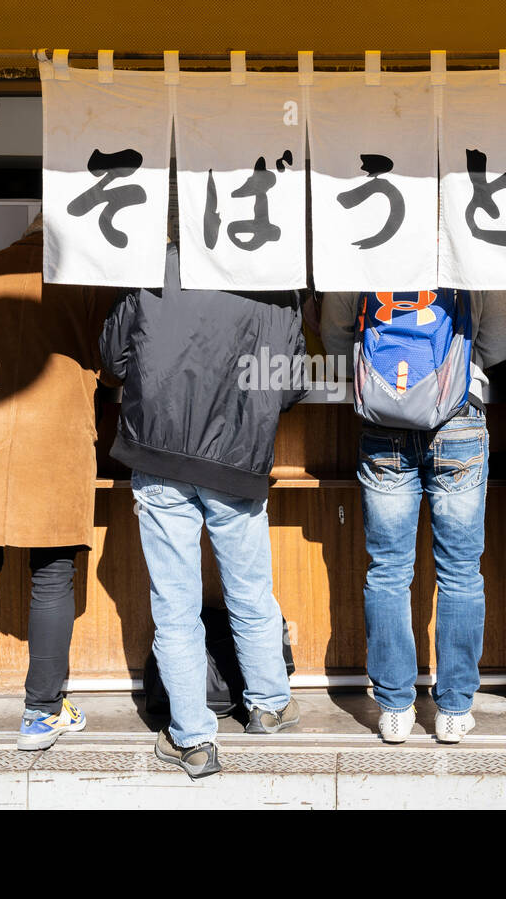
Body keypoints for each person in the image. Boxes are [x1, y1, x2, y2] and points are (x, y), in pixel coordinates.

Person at [100, 239, 305, 779]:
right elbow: (290, 382)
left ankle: (192, 740)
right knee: (249, 587)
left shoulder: (153, 265)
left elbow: (113, 360)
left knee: (175, 602)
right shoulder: (275, 271)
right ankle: (268, 703)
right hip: (237, 460)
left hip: (159, 452)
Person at [0, 212, 116, 751]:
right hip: (56, 448)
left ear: (28, 228)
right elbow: (112, 363)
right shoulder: (86, 276)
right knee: (52, 576)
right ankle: (41, 713)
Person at [320, 289, 506, 743]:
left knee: (387, 570)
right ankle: (453, 709)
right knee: (461, 571)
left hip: (383, 421)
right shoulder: (472, 241)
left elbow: (334, 338)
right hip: (460, 417)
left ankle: (393, 707)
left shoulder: (364, 243)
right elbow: (499, 344)